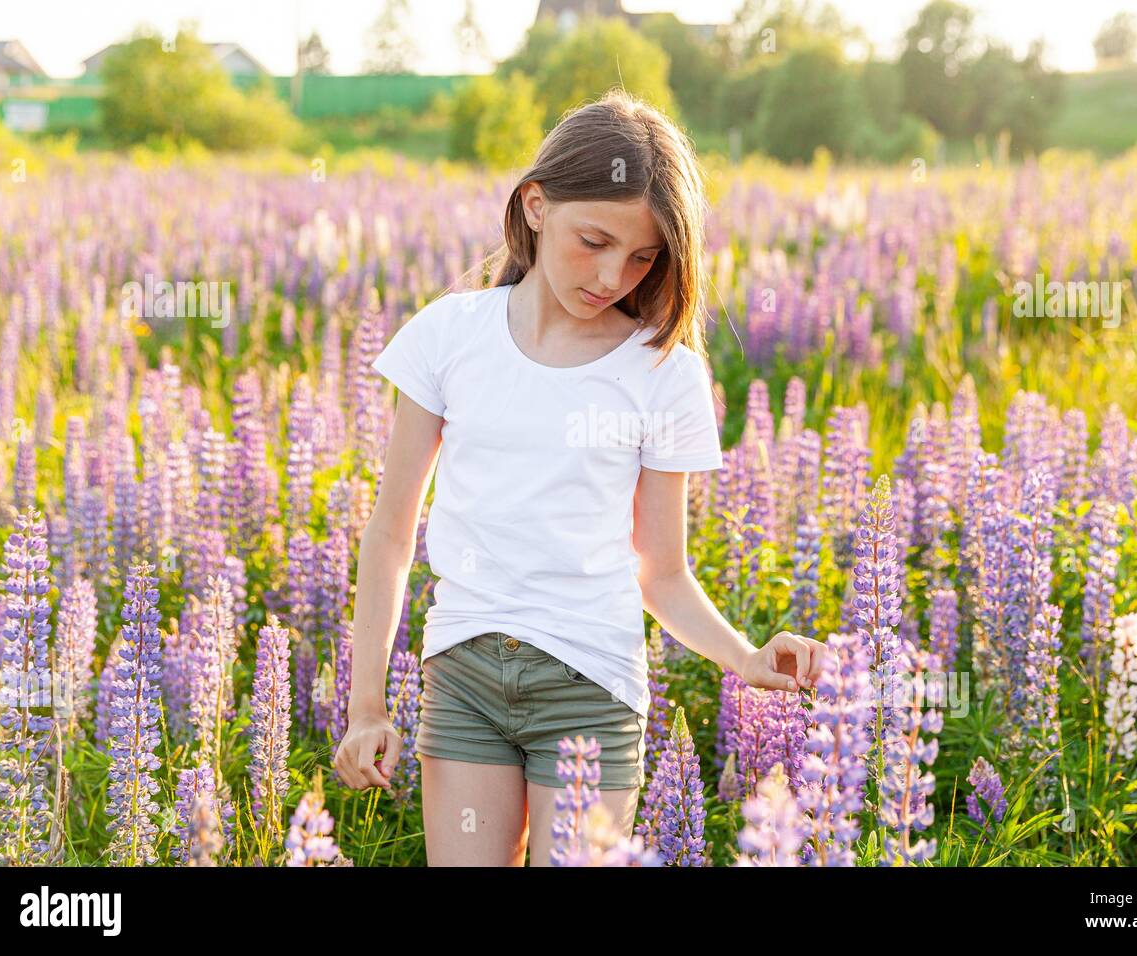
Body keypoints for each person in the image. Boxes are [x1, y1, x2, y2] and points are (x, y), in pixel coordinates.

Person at [333, 88, 828, 866]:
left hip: (591, 685)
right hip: (463, 672)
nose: (612, 276)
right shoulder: (448, 336)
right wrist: (365, 706)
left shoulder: (663, 374)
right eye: (593, 240)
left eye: (642, 258)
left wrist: (746, 658)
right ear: (535, 205)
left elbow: (661, 573)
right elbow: (391, 535)